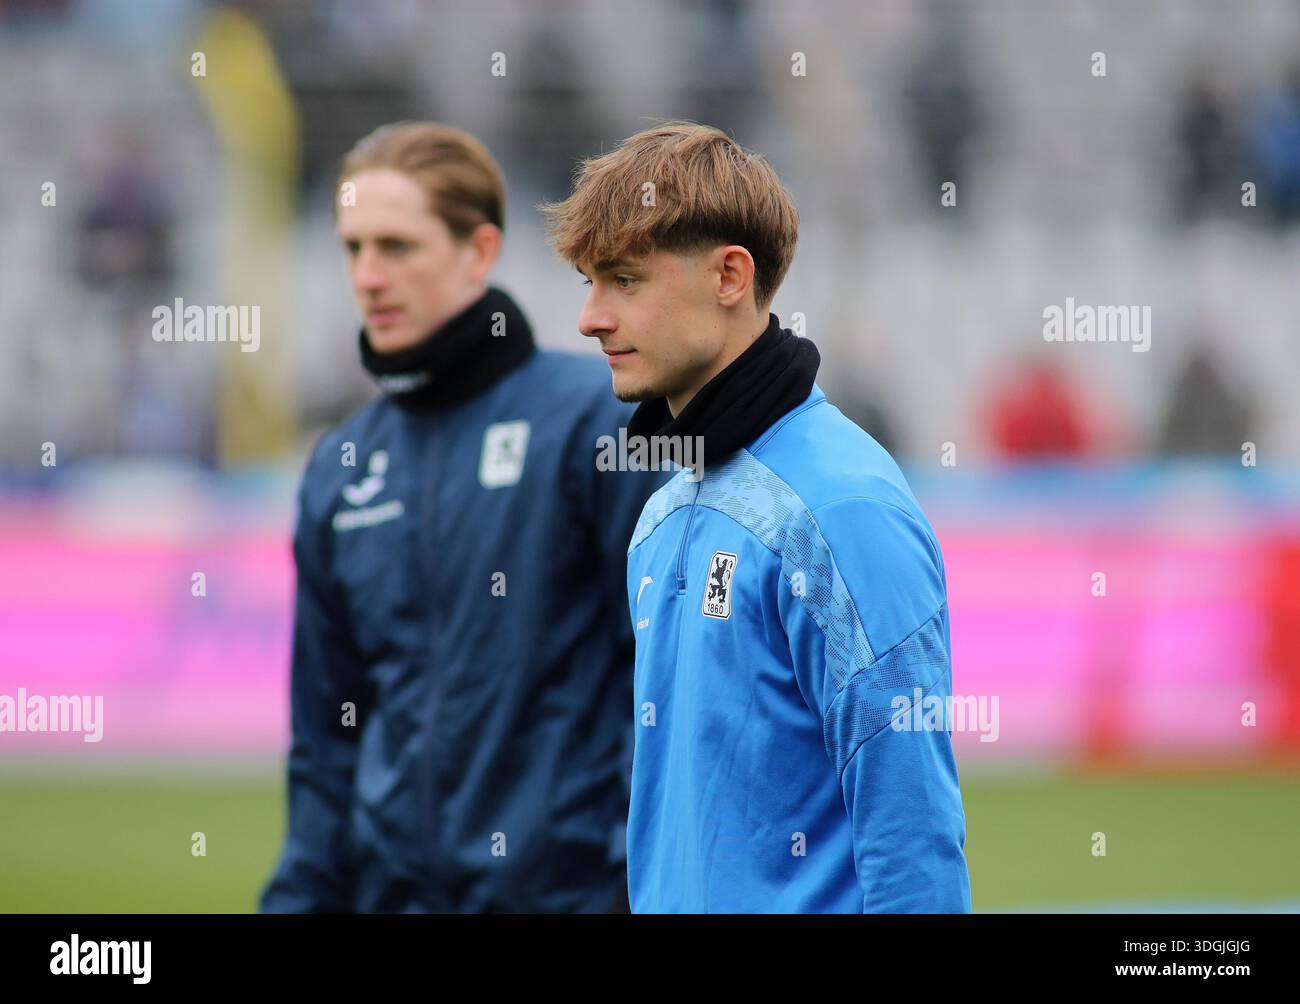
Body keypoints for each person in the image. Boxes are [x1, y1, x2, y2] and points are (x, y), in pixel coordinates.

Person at [541, 122, 972, 912]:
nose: (590, 318)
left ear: (730, 276)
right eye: (587, 284)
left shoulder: (842, 507)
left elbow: (912, 831)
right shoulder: (663, 512)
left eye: (624, 280)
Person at [261, 121, 662, 913]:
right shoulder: (341, 469)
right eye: (352, 248)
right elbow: (324, 740)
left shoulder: (600, 426)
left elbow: (667, 693)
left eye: (397, 246)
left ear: (478, 252)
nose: (368, 276)